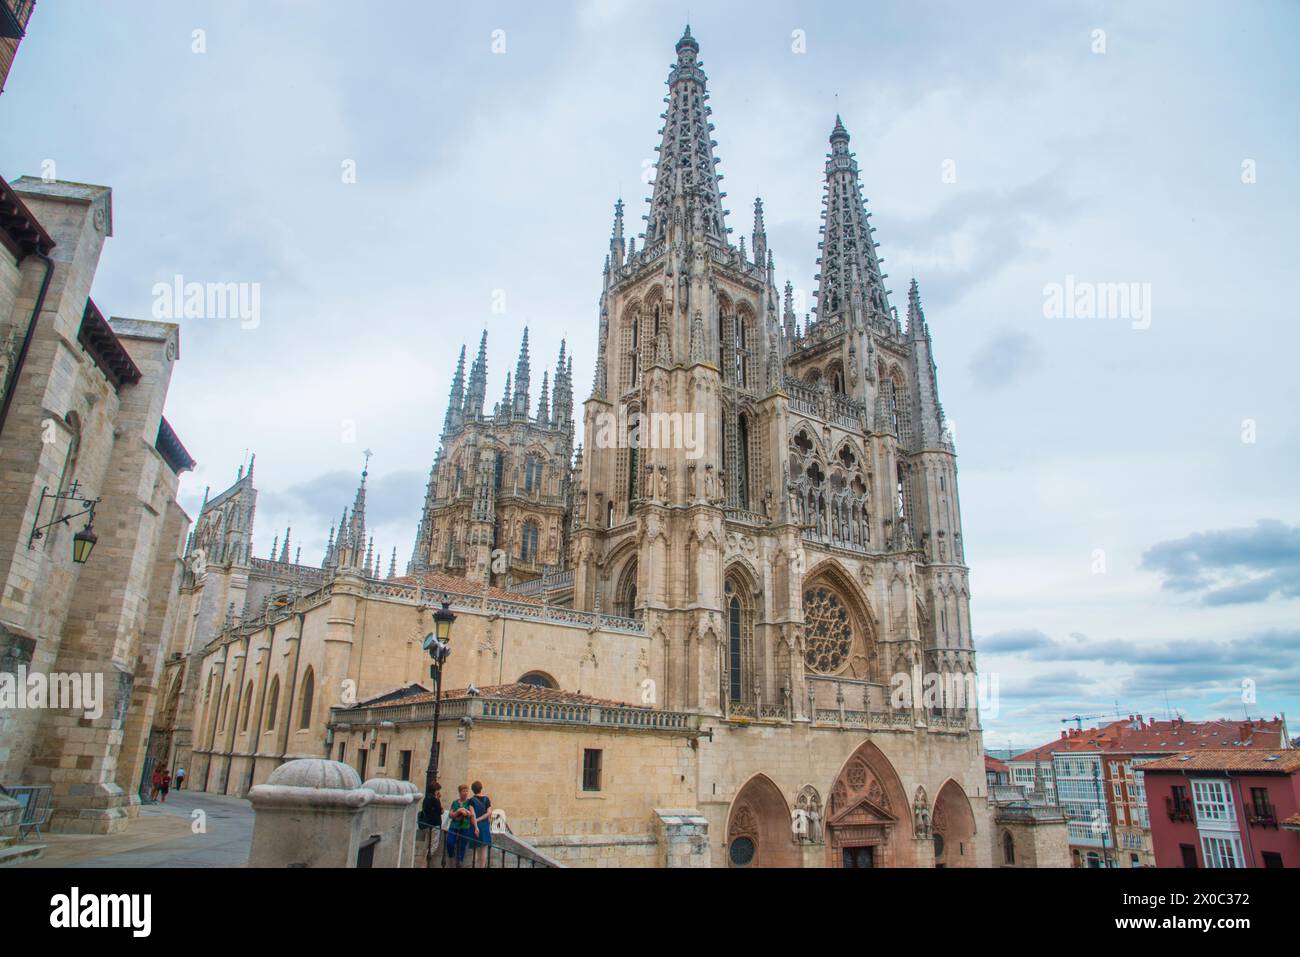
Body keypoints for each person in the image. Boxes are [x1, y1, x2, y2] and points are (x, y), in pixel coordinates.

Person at [446, 784, 475, 867]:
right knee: (450, 842)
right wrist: (458, 811)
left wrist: (465, 811)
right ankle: (451, 856)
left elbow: (472, 814)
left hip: (465, 826)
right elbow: (450, 815)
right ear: (460, 792)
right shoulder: (455, 802)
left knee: (462, 845)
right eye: (463, 791)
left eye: (466, 791)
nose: (465, 793)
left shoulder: (470, 802)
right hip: (454, 826)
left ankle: (460, 861)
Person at [469, 780, 493, 866]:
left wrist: (476, 824)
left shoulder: (471, 800)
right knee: (484, 850)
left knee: (475, 850)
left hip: (475, 827)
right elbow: (489, 812)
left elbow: (472, 814)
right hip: (485, 826)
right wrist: (480, 819)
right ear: (481, 788)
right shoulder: (486, 799)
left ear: (472, 790)